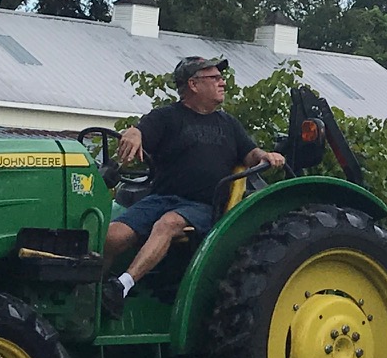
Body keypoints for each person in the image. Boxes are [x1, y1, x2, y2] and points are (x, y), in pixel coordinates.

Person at [102, 55, 282, 314]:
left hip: (203, 207)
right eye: (215, 78)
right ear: (193, 84)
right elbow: (139, 131)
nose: (222, 83)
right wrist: (132, 134)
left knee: (169, 223)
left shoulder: (229, 124)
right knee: (111, 236)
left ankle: (121, 287)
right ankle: (89, 294)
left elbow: (251, 154)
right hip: (160, 199)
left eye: (221, 78)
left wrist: (265, 156)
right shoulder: (166, 117)